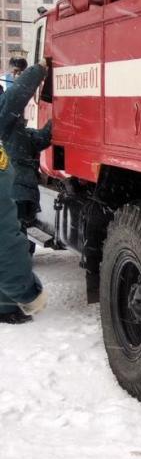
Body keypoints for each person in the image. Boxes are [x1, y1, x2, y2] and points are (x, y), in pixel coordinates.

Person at [0, 62, 48, 324]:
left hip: (20, 193)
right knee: (14, 241)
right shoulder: (13, 132)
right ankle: (8, 306)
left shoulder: (17, 134)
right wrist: (29, 293)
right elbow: (5, 245)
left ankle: (6, 306)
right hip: (19, 194)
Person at [0, 58, 52, 250]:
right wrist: (38, 70)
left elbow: (39, 140)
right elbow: (13, 98)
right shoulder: (4, 118)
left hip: (16, 196)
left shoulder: (14, 130)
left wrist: (59, 119)